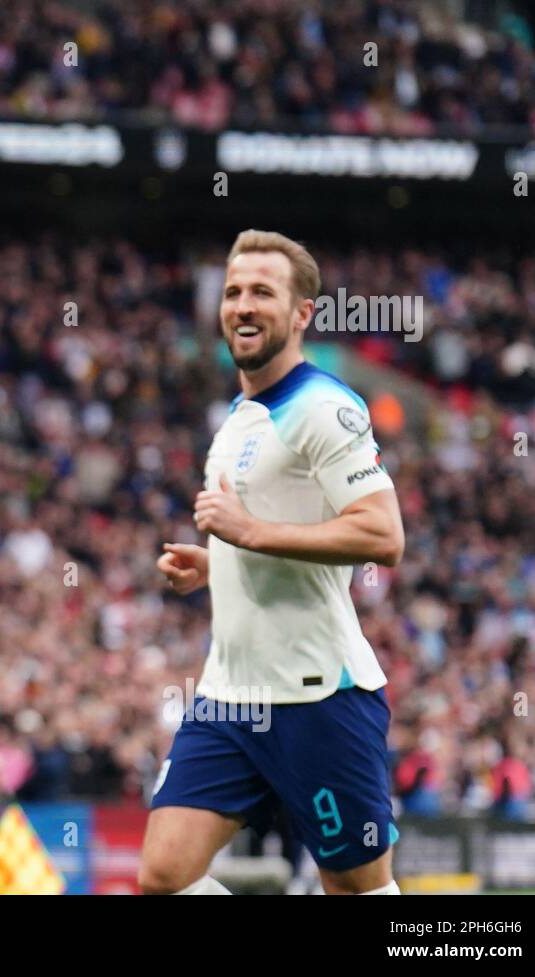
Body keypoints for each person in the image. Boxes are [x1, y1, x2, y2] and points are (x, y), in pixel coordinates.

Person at [144, 230, 405, 895]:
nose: (243, 305)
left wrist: (251, 533)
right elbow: (274, 535)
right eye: (233, 292)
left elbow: (383, 534)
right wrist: (217, 564)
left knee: (358, 889)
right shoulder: (240, 415)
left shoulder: (325, 406)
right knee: (165, 876)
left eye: (262, 291)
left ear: (301, 314)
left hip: (318, 696)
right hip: (230, 694)